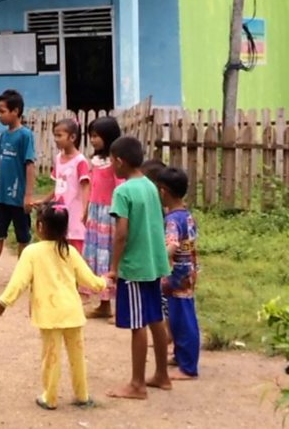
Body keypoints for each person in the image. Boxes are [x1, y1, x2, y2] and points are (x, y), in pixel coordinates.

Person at [0, 205, 108, 410]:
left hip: (49, 314)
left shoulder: (32, 252)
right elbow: (88, 279)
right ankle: (82, 395)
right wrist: (103, 282)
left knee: (51, 357)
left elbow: (19, 282)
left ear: (40, 226)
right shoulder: (69, 251)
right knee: (77, 356)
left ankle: (50, 397)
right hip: (72, 312)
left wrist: (3, 302)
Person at [105, 136, 173, 400]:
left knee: (137, 324)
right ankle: (162, 375)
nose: (111, 164)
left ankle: (137, 384)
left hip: (134, 267)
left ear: (120, 161)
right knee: (155, 317)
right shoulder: (149, 186)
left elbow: (121, 233)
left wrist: (115, 266)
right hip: (154, 263)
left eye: (112, 160)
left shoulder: (123, 191)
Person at [0, 89, 37, 287]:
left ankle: (23, 277)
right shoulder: (4, 136)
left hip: (18, 198)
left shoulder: (25, 136)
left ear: (15, 111)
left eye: (2, 111)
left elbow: (30, 165)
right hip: (2, 198)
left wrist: (28, 196)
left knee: (23, 238)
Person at [156, 167, 200, 380]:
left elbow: (172, 245)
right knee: (178, 316)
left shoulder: (172, 220)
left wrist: (159, 262)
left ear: (164, 191)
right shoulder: (187, 215)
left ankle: (188, 367)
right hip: (189, 272)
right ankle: (181, 356)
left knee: (183, 320)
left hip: (178, 276)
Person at [83, 116, 122, 319]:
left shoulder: (116, 162)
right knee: (98, 258)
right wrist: (86, 210)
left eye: (96, 136)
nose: (92, 139)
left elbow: (120, 189)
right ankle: (104, 303)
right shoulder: (96, 161)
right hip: (96, 214)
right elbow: (92, 187)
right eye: (91, 135)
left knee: (110, 258)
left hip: (110, 214)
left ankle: (119, 306)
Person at [39, 119, 90, 254]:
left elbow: (85, 186)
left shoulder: (80, 161)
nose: (56, 139)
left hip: (74, 212)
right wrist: (45, 200)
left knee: (75, 248)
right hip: (59, 211)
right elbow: (59, 185)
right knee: (58, 243)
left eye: (59, 135)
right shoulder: (58, 158)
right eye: (55, 135)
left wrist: (84, 210)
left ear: (72, 137)